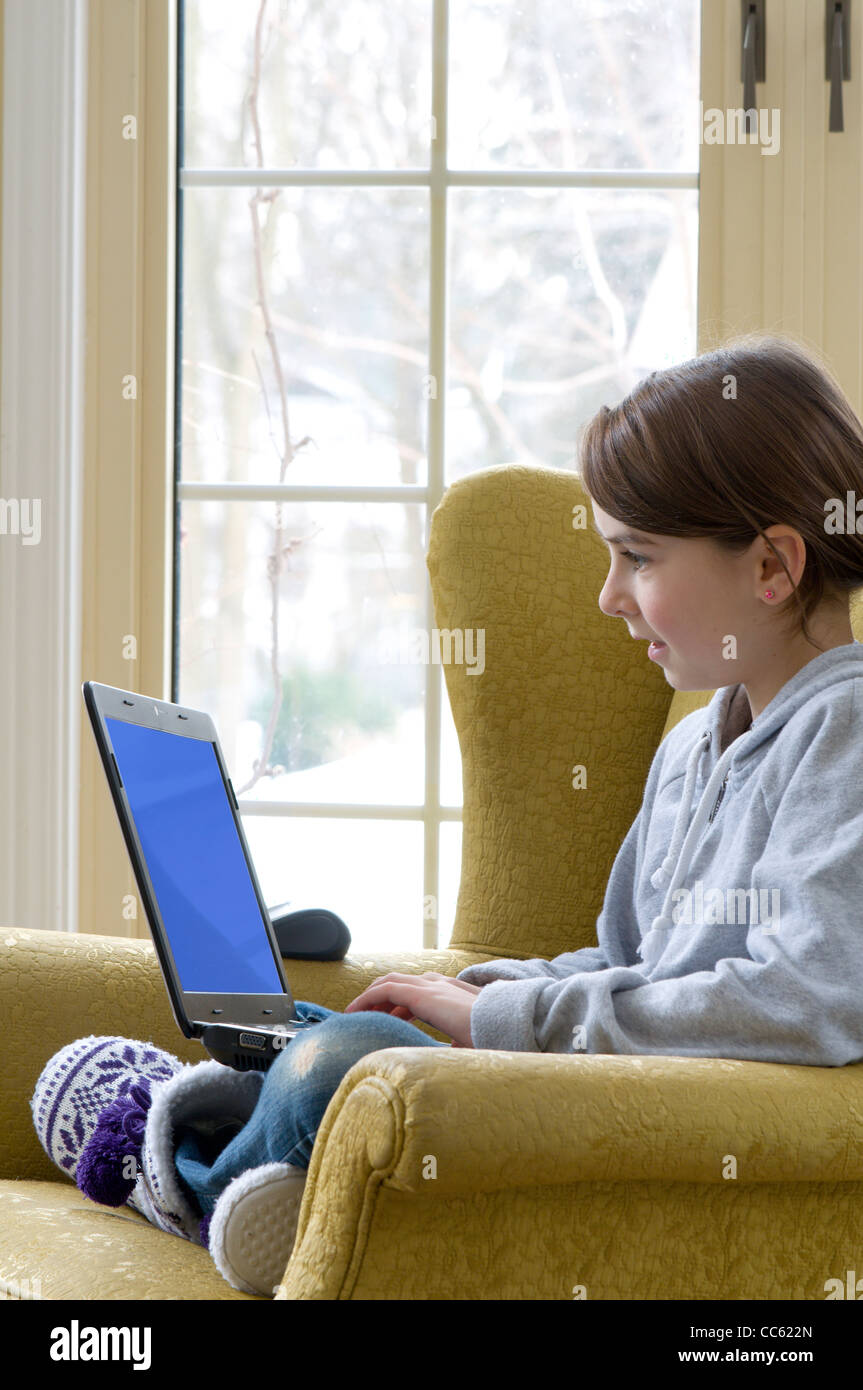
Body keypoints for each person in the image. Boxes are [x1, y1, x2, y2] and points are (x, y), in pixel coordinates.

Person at [31, 332, 863, 1296]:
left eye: (636, 558)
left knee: (349, 1054)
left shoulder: (843, 733)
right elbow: (629, 962)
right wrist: (472, 990)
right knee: (328, 1030)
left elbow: (807, 1002)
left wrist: (500, 1018)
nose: (608, 598)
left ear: (771, 568)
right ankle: (240, 1145)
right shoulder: (691, 747)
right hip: (605, 1075)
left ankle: (176, 1165)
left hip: (683, 1119)